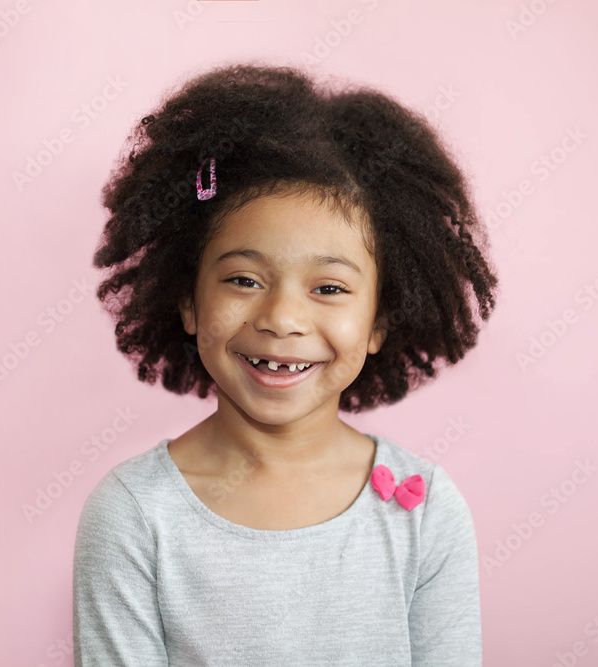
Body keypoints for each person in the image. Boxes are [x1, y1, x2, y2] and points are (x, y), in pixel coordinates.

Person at [73, 60, 499, 666]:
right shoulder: (135, 515)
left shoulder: (424, 510)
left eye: (328, 288)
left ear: (380, 320)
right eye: (245, 279)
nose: (281, 318)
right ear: (189, 301)